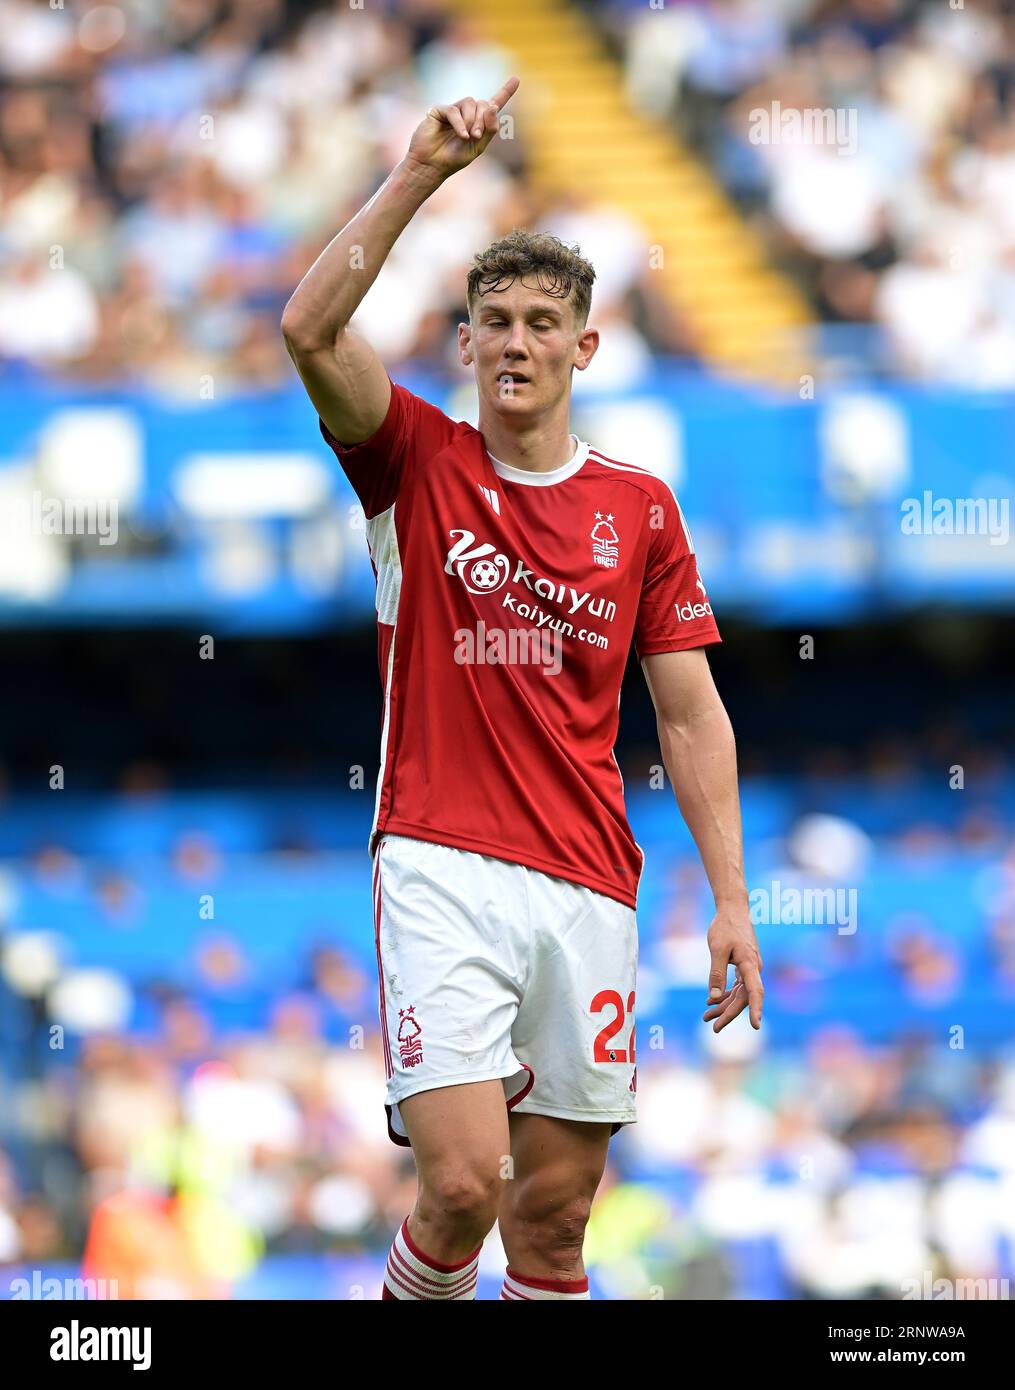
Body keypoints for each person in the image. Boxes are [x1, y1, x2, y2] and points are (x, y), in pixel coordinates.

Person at [281, 76, 763, 1302]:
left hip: (591, 884)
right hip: (440, 861)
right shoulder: (414, 462)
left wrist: (731, 901)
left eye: (542, 322)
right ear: (465, 343)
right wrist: (421, 174)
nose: (514, 342)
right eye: (492, 320)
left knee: (551, 1231)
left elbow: (691, 712)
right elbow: (304, 329)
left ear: (583, 345)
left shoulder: (639, 508)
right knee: (460, 1185)